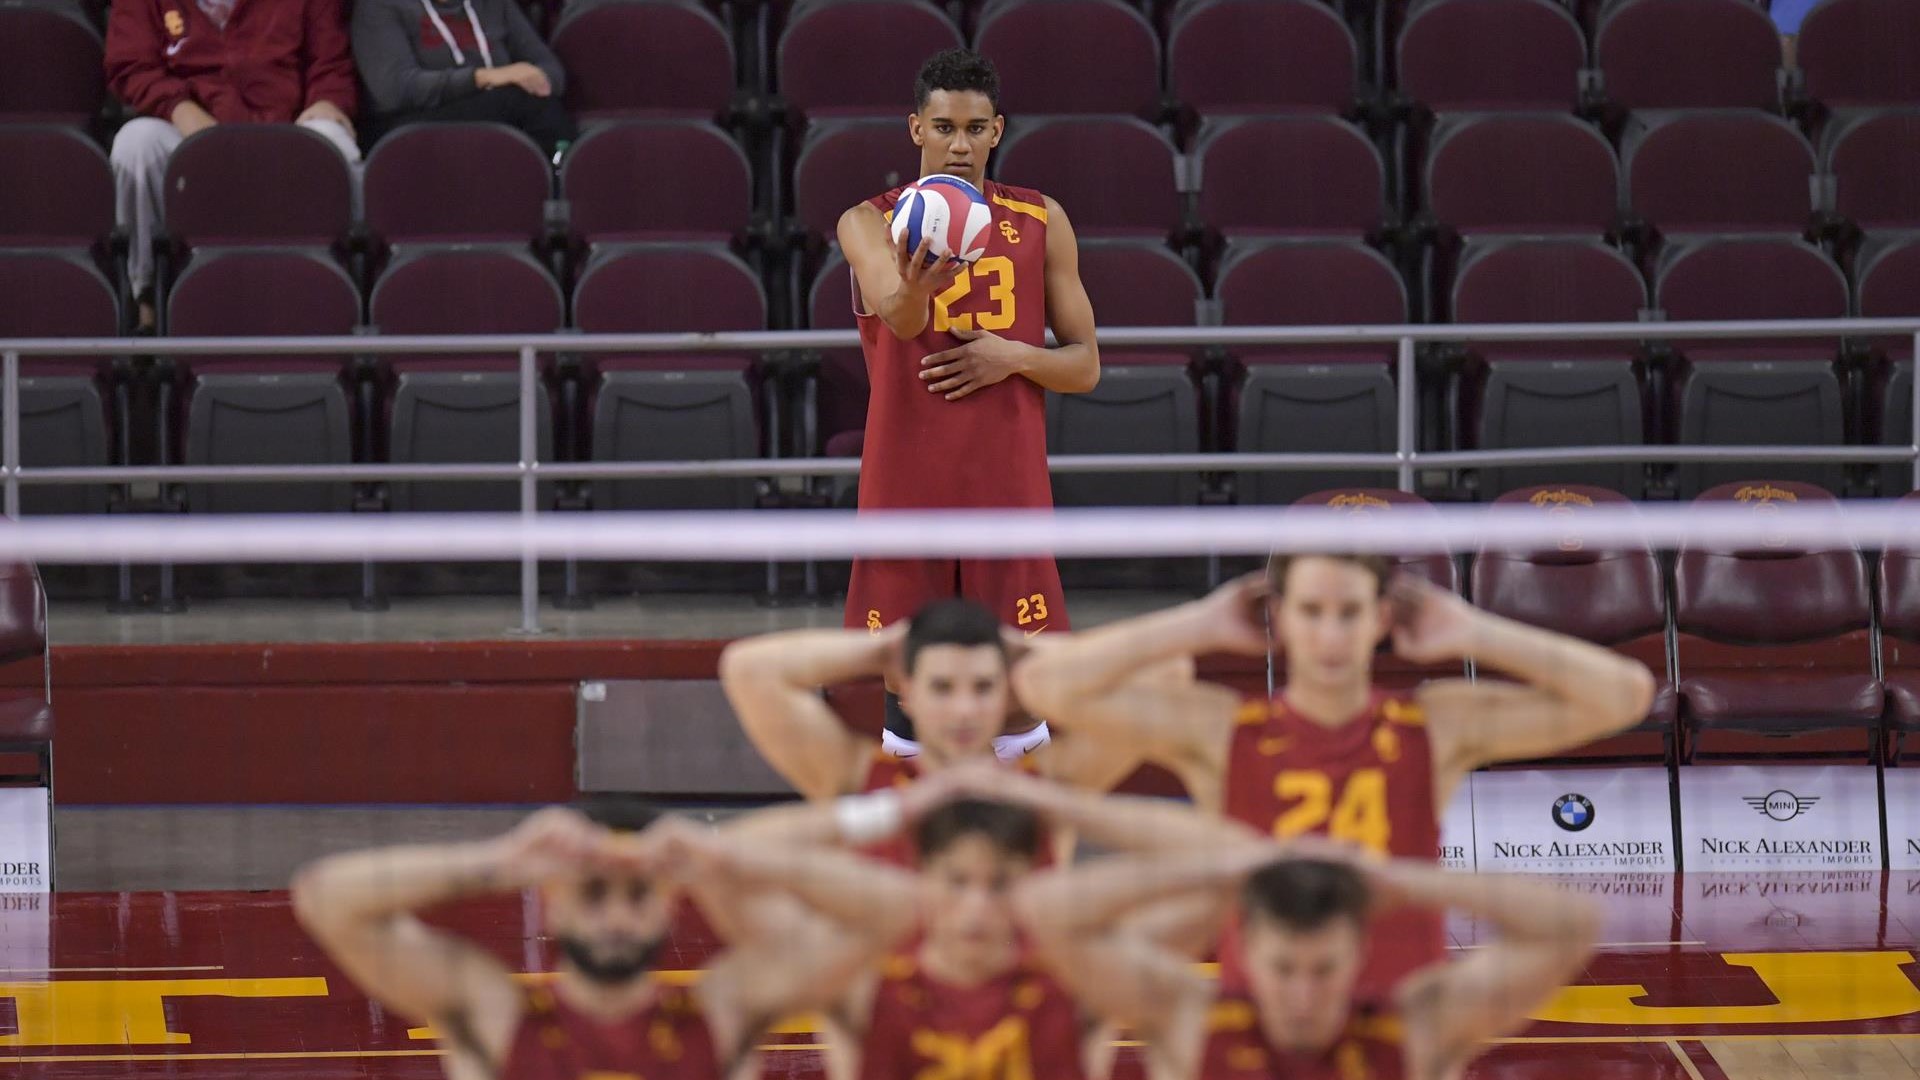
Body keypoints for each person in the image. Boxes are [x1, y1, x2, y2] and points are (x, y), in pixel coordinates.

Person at [1011, 555, 1655, 995]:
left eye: (1348, 613)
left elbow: (1626, 695)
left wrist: (1474, 630)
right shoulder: (1218, 728)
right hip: (1265, 1021)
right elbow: (1041, 684)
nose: (1329, 634)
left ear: (1381, 619)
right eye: (1311, 612)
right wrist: (1198, 623)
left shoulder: (1435, 724)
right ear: (1281, 618)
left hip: (1397, 1023)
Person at [836, 47, 1100, 749]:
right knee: (907, 682)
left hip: (1004, 483)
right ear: (915, 129)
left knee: (1016, 681)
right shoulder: (866, 221)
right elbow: (899, 318)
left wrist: (1010, 356)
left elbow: (1085, 367)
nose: (960, 143)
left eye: (975, 128)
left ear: (998, 130)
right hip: (905, 482)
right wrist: (918, 287)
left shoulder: (1042, 218)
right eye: (945, 126)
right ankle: (915, 841)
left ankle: (1028, 843)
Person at [291, 796, 901, 1080]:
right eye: (593, 894)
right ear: (552, 902)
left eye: (636, 896)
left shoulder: (726, 1009)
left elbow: (897, 915)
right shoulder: (493, 1014)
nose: (614, 919)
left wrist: (724, 859)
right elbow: (323, 897)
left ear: (669, 906)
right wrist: (500, 860)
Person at [1015, 839, 1600, 1080]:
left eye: (1323, 970)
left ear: (1361, 954)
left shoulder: (1415, 1028)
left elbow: (1572, 926)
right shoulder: (1190, 1022)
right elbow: (1043, 915)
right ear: (1243, 952)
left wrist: (1396, 877)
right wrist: (1225, 873)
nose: (1302, 996)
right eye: (1282, 969)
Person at [719, 599, 1186, 860]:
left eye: (983, 687)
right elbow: (746, 670)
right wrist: (886, 647)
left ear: (1007, 695)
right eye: (942, 688)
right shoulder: (859, 782)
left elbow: (1168, 673)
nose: (964, 710)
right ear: (908, 693)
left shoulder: (1052, 786)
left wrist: (1027, 655)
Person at [105, 0, 361, 327]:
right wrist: (180, 110)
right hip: (185, 126)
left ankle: (343, 292)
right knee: (136, 144)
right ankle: (146, 300)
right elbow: (130, 65)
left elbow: (330, 63)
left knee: (334, 141)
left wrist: (326, 100)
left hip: (285, 128)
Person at [350, 0, 576, 156]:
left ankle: (558, 198)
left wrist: (538, 81)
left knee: (541, 106)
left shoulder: (494, 4)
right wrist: (484, 78)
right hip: (414, 120)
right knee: (522, 103)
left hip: (501, 110)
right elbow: (396, 90)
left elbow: (550, 70)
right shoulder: (379, 6)